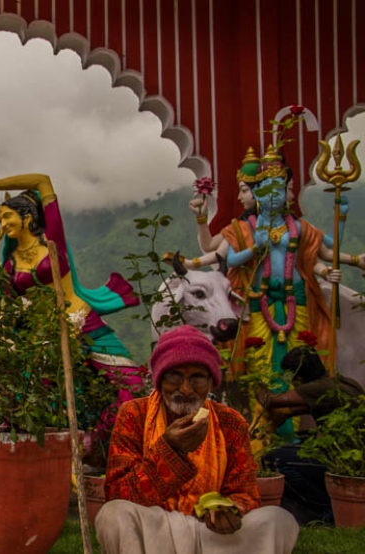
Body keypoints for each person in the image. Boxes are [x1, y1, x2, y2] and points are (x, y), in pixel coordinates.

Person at [0, 172, 142, 462]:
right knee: (35, 401)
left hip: (82, 322)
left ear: (27, 217)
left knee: (132, 384)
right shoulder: (10, 263)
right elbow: (7, 304)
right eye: (0, 220)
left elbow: (43, 181)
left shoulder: (53, 242)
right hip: (40, 338)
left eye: (7, 217)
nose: (3, 226)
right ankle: (58, 459)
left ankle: (113, 444)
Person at [97, 325, 299, 554]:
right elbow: (117, 494)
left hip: (212, 536)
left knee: (277, 519)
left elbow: (245, 495)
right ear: (160, 380)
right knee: (113, 514)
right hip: (156, 530)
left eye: (197, 378)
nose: (185, 389)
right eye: (174, 376)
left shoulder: (230, 422)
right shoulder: (135, 414)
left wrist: (230, 511)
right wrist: (169, 450)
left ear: (211, 383)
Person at [224, 146, 365, 436]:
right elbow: (231, 260)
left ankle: (295, 432)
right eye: (266, 188)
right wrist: (254, 248)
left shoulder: (300, 227)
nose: (273, 194)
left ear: (289, 192)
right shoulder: (246, 229)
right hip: (260, 302)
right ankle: (262, 433)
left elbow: (327, 252)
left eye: (280, 188)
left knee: (299, 364)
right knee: (261, 365)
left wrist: (343, 226)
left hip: (297, 302)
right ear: (258, 193)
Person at [260, 346, 365, 524]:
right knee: (296, 447)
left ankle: (324, 507)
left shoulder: (317, 388)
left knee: (273, 458)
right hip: (354, 459)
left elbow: (270, 400)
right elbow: (300, 408)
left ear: (298, 379)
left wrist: (256, 382)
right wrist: (284, 415)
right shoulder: (343, 382)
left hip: (345, 461)